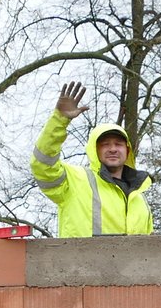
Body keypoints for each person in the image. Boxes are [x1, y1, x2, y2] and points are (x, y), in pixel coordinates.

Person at [29, 81, 153, 237]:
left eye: (118, 144)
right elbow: (42, 164)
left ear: (128, 150)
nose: (113, 149)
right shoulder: (74, 181)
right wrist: (59, 120)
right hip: (79, 261)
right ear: (95, 150)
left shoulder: (139, 196)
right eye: (105, 144)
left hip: (131, 262)